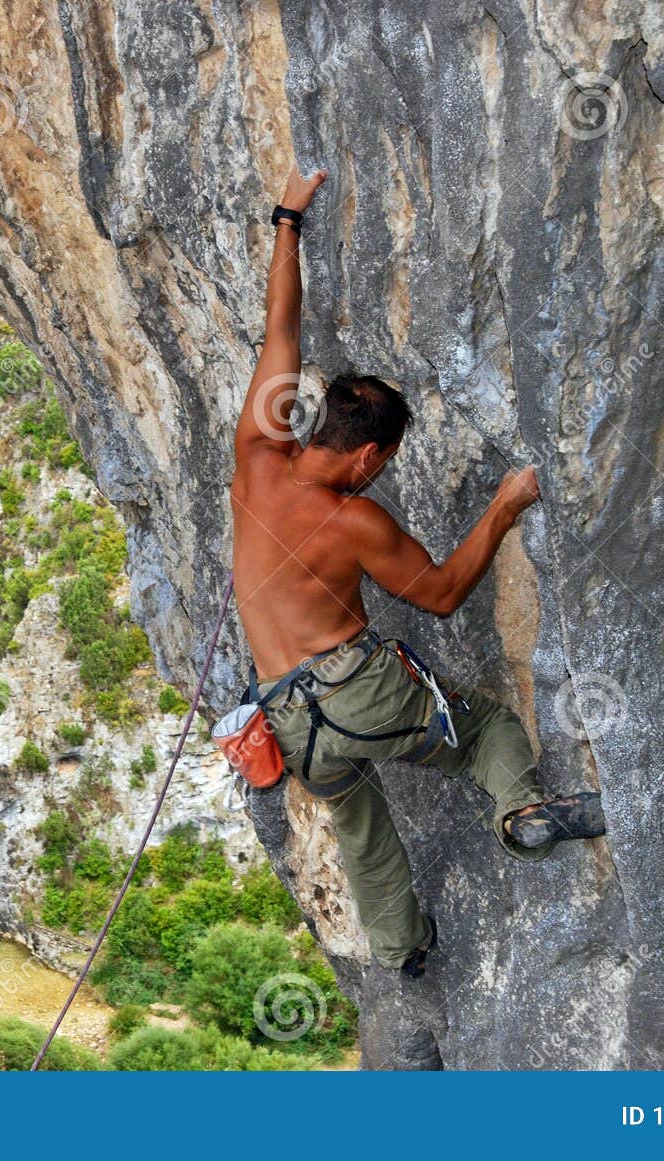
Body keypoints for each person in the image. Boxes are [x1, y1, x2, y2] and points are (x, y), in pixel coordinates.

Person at [230, 165, 606, 977]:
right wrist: (505, 505)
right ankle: (522, 811)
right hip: (358, 689)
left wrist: (286, 220)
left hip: (291, 721)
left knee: (356, 816)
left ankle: (402, 947)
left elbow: (279, 329)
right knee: (485, 731)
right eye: (385, 462)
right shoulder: (355, 519)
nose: (380, 474)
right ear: (367, 454)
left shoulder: (257, 455)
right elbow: (438, 594)